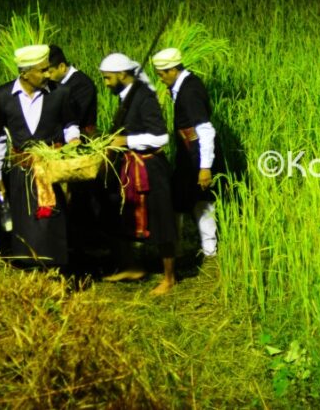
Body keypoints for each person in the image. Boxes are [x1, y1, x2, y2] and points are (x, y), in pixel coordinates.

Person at [0, 45, 79, 268]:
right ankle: (29, 271)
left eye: (48, 69)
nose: (48, 74)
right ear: (25, 73)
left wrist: (73, 142)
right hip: (21, 172)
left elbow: (70, 124)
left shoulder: (60, 93)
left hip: (51, 170)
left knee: (51, 222)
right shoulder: (0, 97)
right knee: (26, 222)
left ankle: (55, 271)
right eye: (42, 70)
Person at [99, 52, 177, 295]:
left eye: (107, 78)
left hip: (151, 167)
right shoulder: (127, 96)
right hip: (130, 165)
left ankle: (169, 278)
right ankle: (131, 265)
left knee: (162, 220)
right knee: (116, 208)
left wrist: (127, 140)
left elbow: (161, 136)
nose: (106, 83)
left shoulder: (144, 98)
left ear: (122, 75)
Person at [152, 47, 221, 262]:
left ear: (173, 70)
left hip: (196, 156)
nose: (161, 79)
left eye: (162, 74)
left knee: (199, 200)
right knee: (192, 200)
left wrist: (204, 167)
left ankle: (200, 250)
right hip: (188, 153)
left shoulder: (189, 92)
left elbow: (205, 130)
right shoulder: (184, 86)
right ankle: (190, 248)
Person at [46, 44, 103, 272]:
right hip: (60, 146)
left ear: (61, 66)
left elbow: (72, 119)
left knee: (82, 197)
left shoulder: (82, 85)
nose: (46, 75)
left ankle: (88, 250)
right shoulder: (56, 85)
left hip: (80, 148)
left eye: (49, 70)